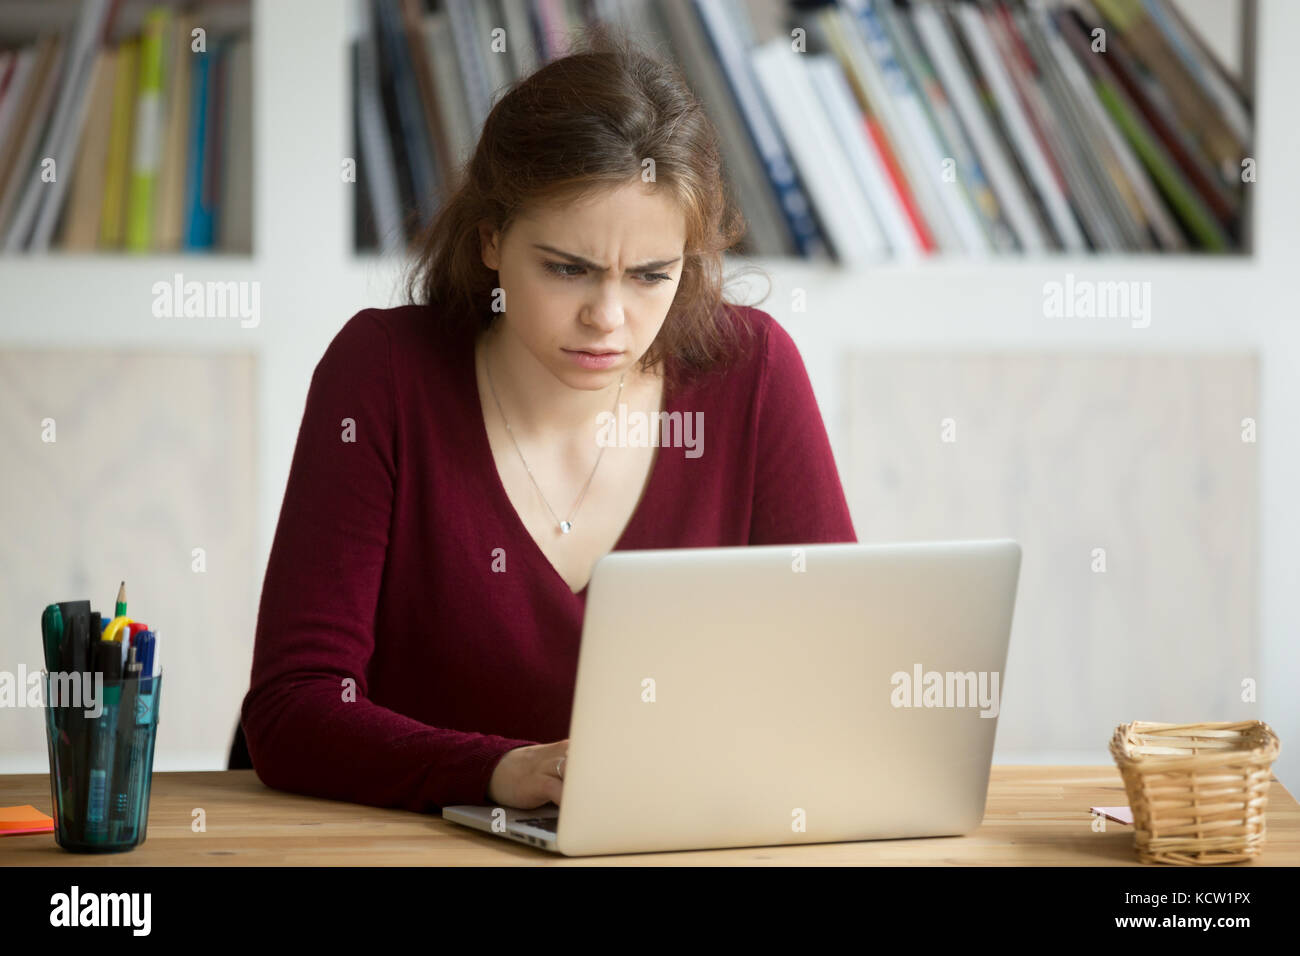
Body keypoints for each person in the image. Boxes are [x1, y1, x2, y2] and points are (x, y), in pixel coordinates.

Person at [240, 26, 856, 815]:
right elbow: (295, 709)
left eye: (650, 275)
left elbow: (839, 675)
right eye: (568, 269)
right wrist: (499, 773)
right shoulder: (383, 374)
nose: (608, 316)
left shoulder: (752, 372)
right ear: (492, 238)